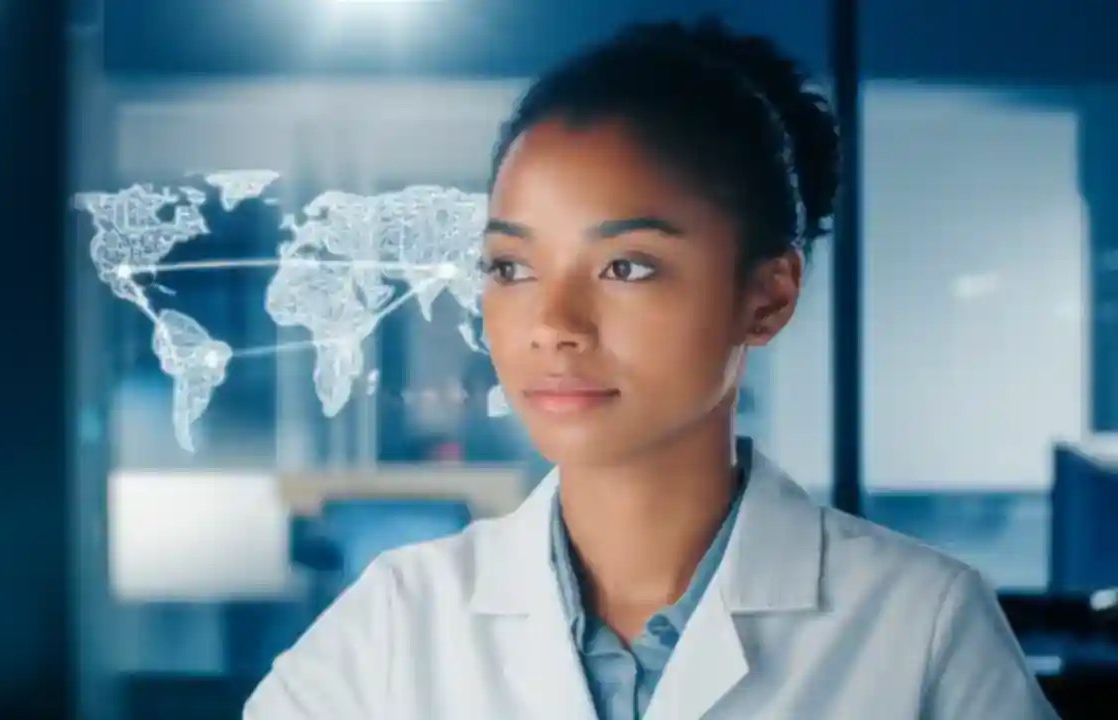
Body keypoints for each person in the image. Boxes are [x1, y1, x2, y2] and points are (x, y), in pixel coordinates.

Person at [244, 17, 1057, 720]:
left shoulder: (921, 629)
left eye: (626, 267)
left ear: (767, 297)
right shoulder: (396, 623)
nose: (554, 326)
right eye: (511, 268)